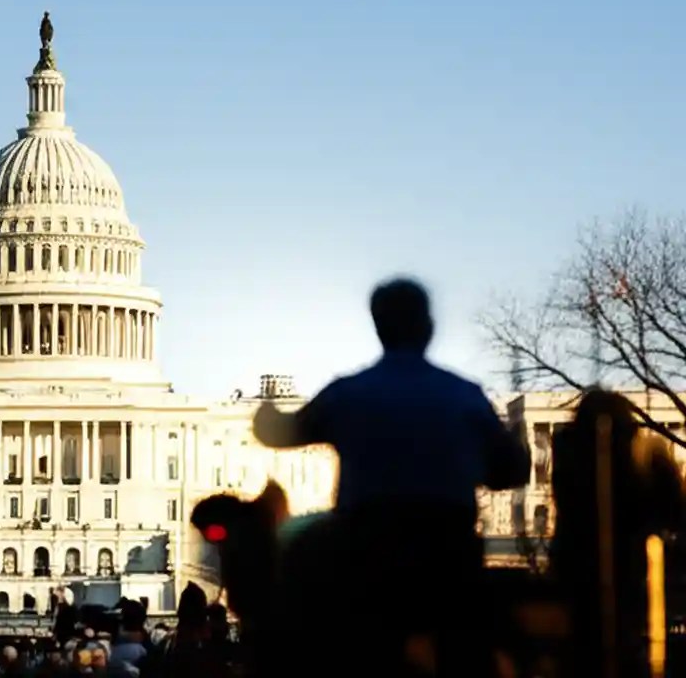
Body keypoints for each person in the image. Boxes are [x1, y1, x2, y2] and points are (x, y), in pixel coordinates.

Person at [253, 278, 530, 676]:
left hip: (365, 554)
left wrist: (264, 408)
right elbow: (512, 469)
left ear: (379, 328)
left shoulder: (349, 393)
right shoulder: (465, 394)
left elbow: (276, 432)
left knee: (299, 563)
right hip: (448, 556)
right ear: (429, 328)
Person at [549, 390, 683, 678]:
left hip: (578, 572)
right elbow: (673, 512)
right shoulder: (636, 465)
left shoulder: (568, 461)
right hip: (627, 572)